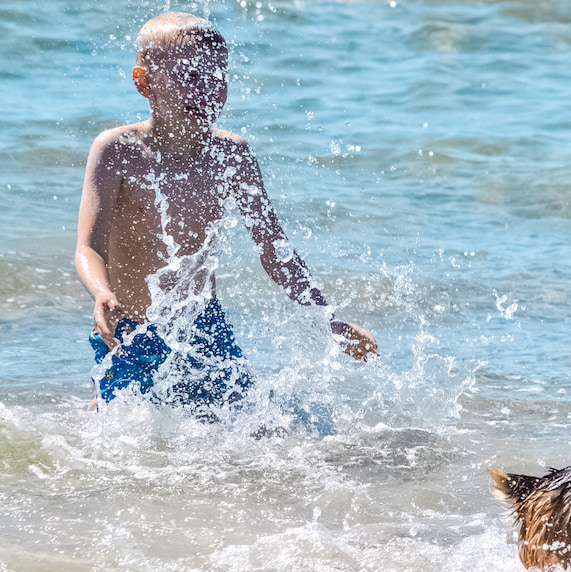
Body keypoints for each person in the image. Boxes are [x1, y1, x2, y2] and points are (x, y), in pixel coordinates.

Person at [75, 12, 377, 412]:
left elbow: (276, 252)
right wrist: (101, 293)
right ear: (143, 82)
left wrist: (328, 319)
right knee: (123, 434)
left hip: (203, 327)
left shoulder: (231, 154)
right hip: (129, 329)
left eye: (218, 77)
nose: (208, 89)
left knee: (256, 428)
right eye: (191, 77)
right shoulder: (118, 151)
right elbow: (88, 247)